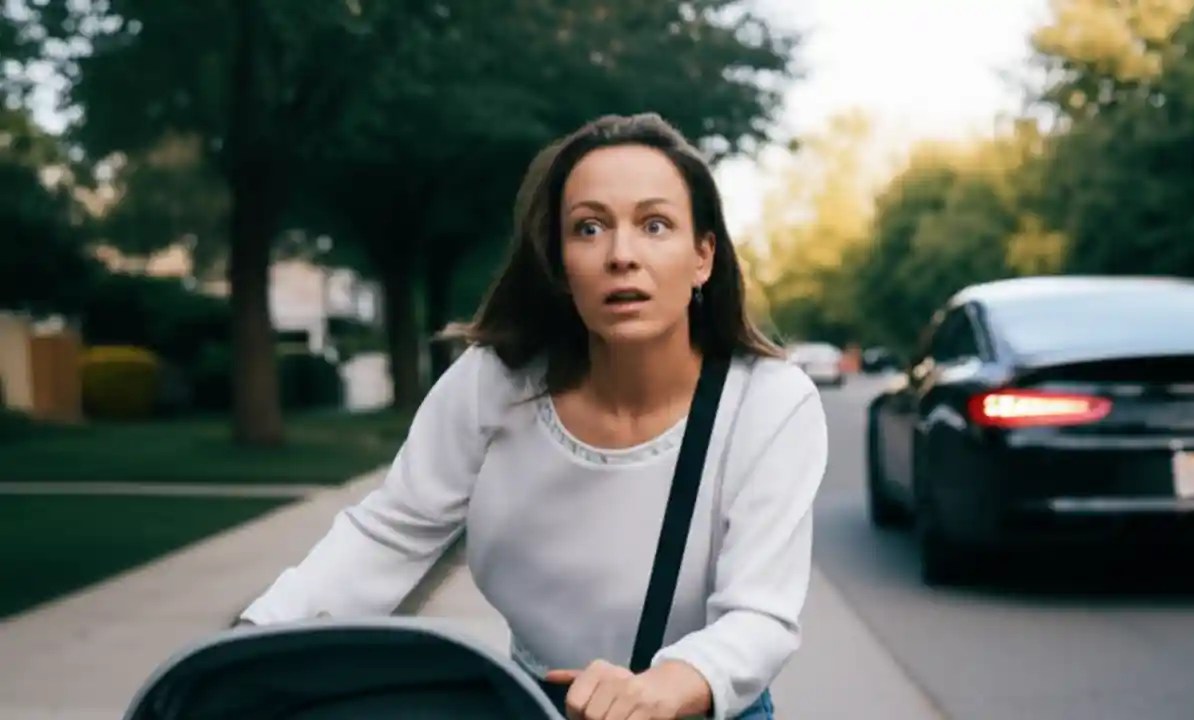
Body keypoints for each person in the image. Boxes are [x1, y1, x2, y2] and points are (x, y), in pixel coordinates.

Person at [239, 113, 829, 720]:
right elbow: (390, 533)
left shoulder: (770, 402)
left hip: (696, 703)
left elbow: (760, 614)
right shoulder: (494, 380)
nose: (621, 255)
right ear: (560, 261)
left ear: (703, 255)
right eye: (589, 228)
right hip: (533, 701)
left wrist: (669, 686)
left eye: (654, 225)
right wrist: (248, 648)